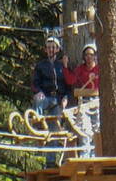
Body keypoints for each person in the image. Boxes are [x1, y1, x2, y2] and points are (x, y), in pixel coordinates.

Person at [31, 36, 69, 167]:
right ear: (45, 50)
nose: (51, 50)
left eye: (53, 47)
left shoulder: (61, 66)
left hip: (57, 99)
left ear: (58, 49)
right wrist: (39, 92)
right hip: (45, 97)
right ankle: (39, 123)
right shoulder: (40, 66)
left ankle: (51, 161)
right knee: (38, 100)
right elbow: (35, 83)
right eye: (49, 48)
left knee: (53, 129)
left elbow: (67, 84)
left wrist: (65, 98)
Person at [62, 43, 100, 158]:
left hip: (97, 101)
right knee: (85, 130)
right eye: (87, 55)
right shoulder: (80, 70)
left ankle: (95, 156)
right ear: (84, 56)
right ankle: (85, 157)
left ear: (95, 56)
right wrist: (65, 66)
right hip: (84, 102)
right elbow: (70, 80)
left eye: (91, 54)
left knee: (97, 129)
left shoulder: (99, 69)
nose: (89, 57)